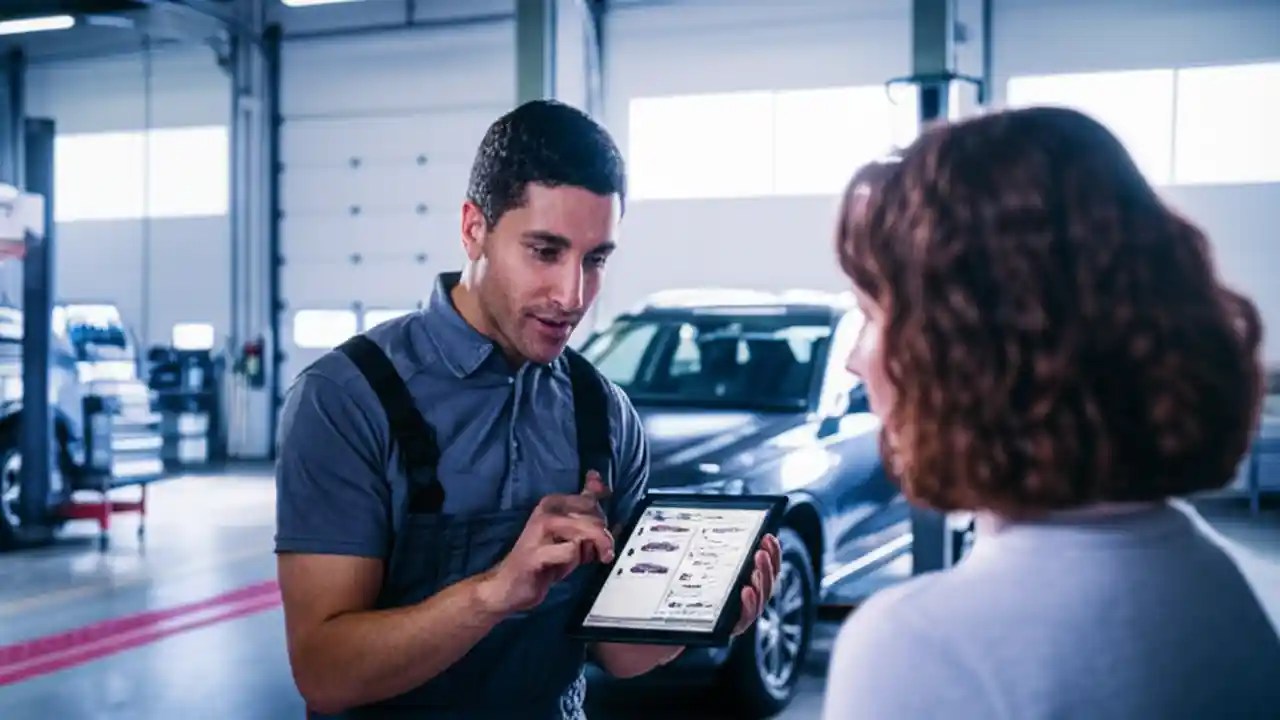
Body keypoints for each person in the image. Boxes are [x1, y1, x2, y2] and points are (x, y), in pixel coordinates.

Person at [273, 99, 782, 719]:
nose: (572, 295)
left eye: (596, 259)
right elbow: (324, 673)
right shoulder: (347, 399)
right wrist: (494, 592)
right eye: (545, 251)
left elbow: (613, 652)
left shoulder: (605, 413)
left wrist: (703, 617)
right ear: (472, 229)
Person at [821, 106, 1280, 719]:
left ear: (970, 352)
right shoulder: (1247, 589)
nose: (856, 360)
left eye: (873, 317)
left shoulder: (919, 646)